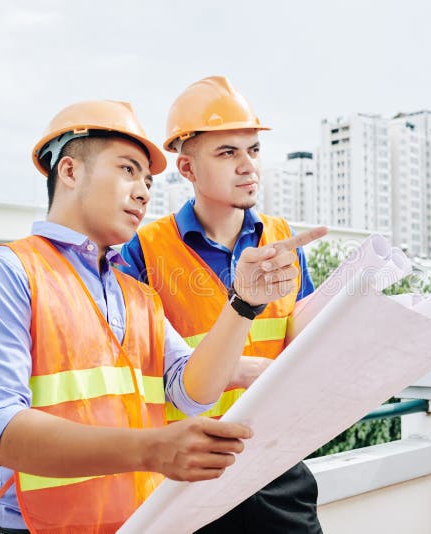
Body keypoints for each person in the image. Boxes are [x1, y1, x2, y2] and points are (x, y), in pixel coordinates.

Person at [0, 99, 324, 534]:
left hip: (137, 523)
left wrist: (242, 304)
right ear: (69, 172)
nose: (143, 191)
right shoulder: (5, 274)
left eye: (147, 179)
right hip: (37, 527)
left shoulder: (136, 295)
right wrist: (151, 449)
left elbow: (189, 391)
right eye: (127, 170)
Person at [120, 76, 324, 534]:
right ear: (187, 169)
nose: (247, 166)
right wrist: (237, 370)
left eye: (253, 150)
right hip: (188, 470)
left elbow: (305, 345)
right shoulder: (144, 250)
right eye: (228, 153)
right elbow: (134, 370)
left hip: (275, 464)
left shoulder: (282, 241)